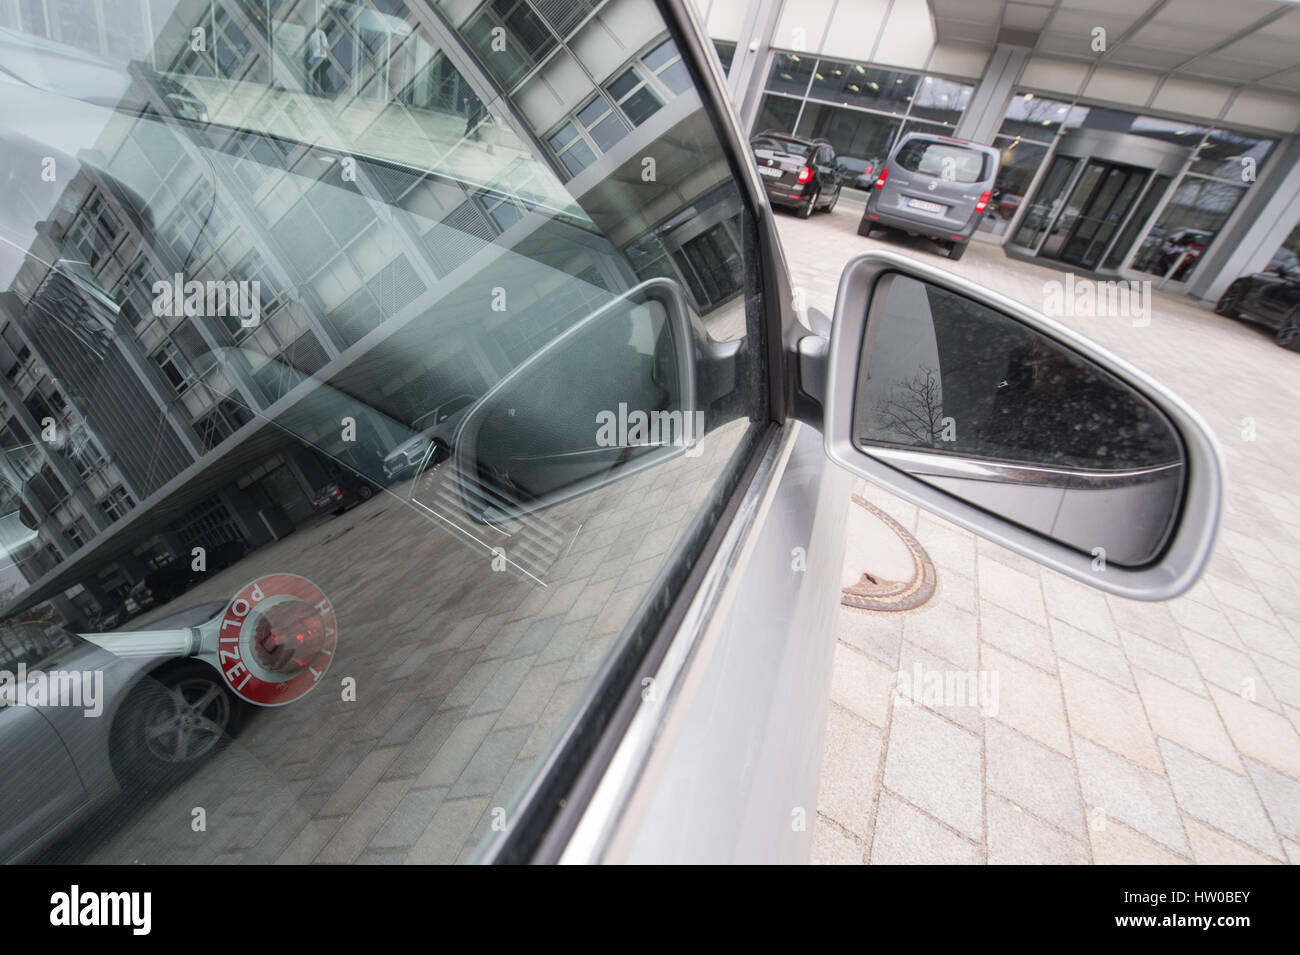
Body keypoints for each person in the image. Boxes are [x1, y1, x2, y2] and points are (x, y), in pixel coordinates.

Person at [305, 24, 329, 96]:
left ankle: (314, 91)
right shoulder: (321, 33)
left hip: (316, 57)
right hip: (321, 57)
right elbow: (325, 46)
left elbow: (311, 47)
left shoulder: (313, 35)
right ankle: (322, 91)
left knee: (315, 76)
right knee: (322, 75)